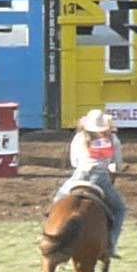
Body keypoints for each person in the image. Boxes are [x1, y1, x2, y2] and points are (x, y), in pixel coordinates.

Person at [53, 109, 126, 259]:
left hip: (79, 175)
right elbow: (117, 165)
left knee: (57, 200)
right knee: (119, 209)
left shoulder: (79, 138)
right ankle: (111, 244)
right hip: (101, 178)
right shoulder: (112, 139)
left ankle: (52, 231)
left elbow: (75, 162)